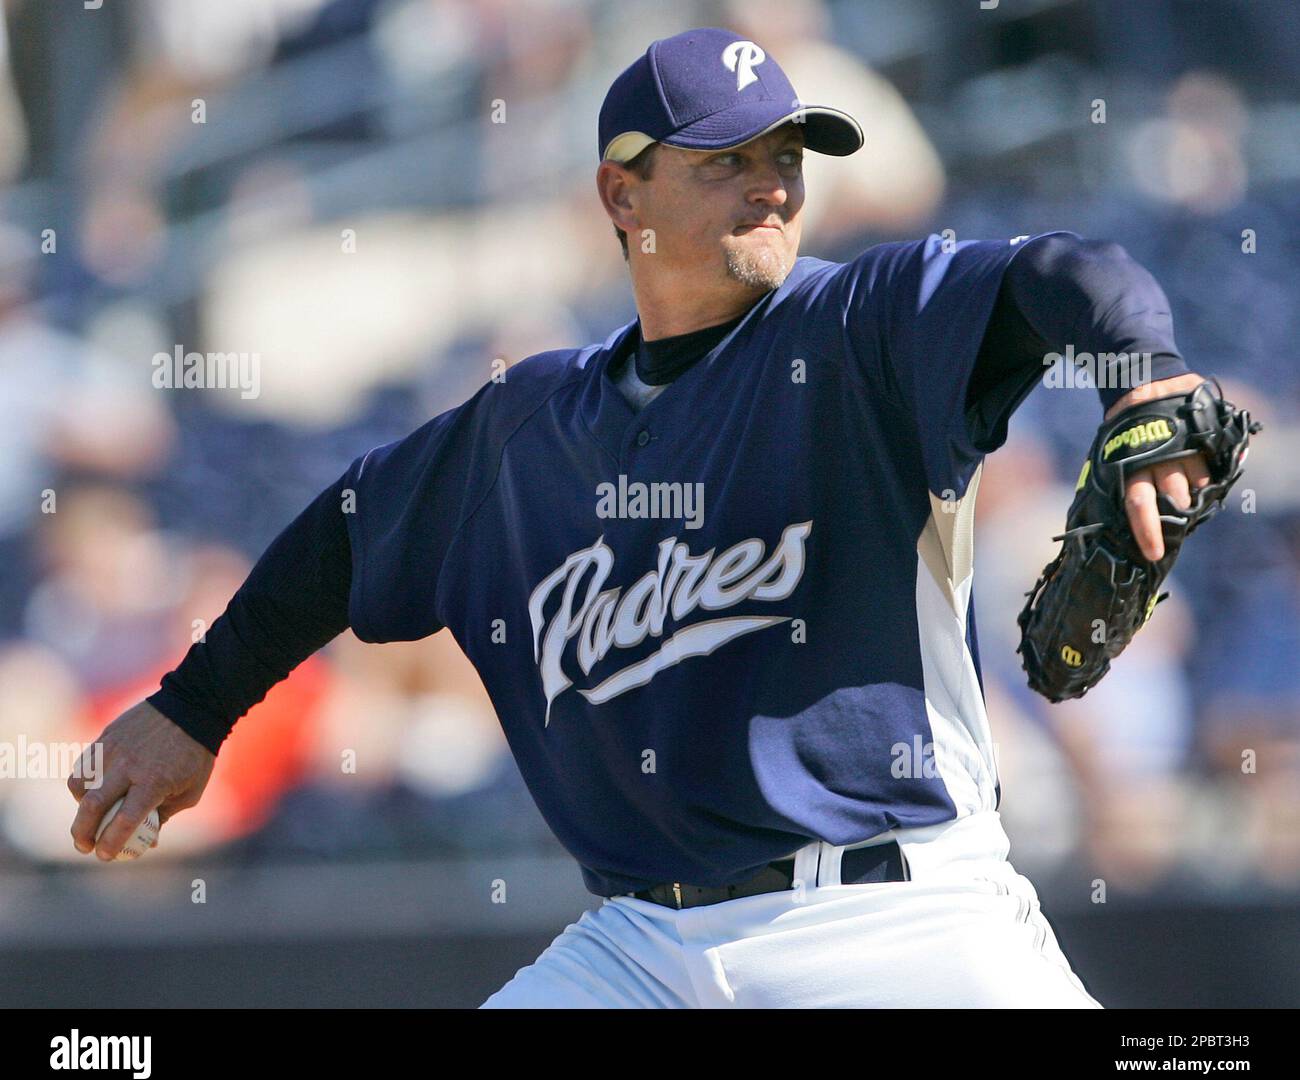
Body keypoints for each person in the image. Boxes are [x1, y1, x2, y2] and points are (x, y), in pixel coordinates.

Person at [68, 27, 1214, 1008]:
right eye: (728, 160)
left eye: (786, 155)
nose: (772, 182)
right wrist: (193, 707)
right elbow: (343, 536)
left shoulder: (861, 329)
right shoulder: (524, 429)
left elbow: (1071, 272)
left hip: (894, 920)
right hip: (643, 951)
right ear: (623, 194)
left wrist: (1144, 375)